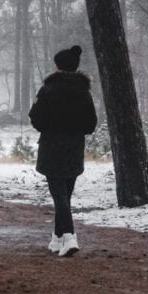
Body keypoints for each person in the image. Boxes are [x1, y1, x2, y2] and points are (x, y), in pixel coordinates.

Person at [28, 44, 98, 257]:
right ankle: (57, 238)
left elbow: (36, 118)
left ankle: (69, 236)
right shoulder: (83, 92)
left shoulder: (48, 90)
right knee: (65, 195)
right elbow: (91, 123)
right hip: (74, 149)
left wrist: (50, 127)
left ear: (58, 67)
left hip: (52, 148)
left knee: (59, 195)